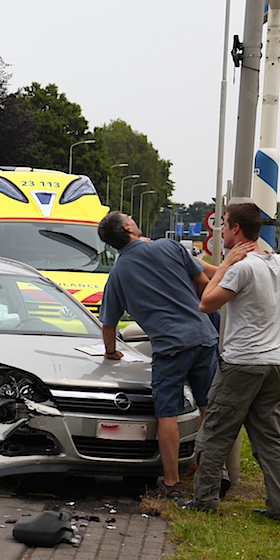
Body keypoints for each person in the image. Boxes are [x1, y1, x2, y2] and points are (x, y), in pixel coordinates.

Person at [181, 202, 280, 523]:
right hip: (273, 365)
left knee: (216, 432)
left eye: (224, 224)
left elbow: (206, 303)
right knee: (270, 439)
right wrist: (279, 344)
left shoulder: (241, 266)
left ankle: (204, 498)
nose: (221, 230)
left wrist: (222, 267)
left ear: (236, 228)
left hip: (240, 364)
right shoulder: (278, 265)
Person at [96, 211, 218, 499]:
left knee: (167, 413)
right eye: (129, 216)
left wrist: (112, 352)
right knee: (207, 408)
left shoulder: (118, 273)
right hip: (203, 338)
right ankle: (213, 471)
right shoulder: (168, 246)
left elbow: (108, 323)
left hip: (169, 346)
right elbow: (203, 284)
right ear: (128, 227)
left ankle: (172, 482)